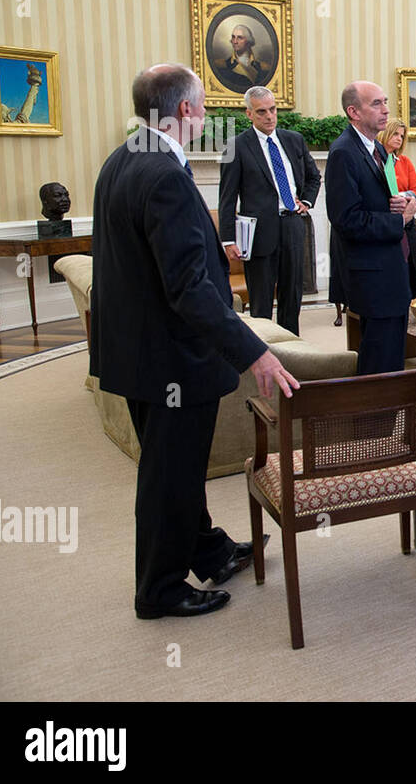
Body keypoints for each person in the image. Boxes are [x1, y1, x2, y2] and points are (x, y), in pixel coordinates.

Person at [91, 63, 297, 619]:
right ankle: (158, 589)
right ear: (184, 109)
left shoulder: (122, 158)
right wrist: (253, 350)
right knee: (170, 475)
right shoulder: (164, 174)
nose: (206, 113)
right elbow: (189, 287)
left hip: (137, 351)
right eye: (203, 103)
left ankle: (210, 551)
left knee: (174, 465)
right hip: (171, 359)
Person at [325, 81, 413, 375]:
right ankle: (374, 409)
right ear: (354, 112)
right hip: (372, 277)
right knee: (379, 364)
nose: (386, 109)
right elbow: (346, 220)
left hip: (391, 268)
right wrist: (399, 221)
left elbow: (380, 201)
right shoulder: (343, 152)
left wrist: (399, 204)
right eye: (376, 103)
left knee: (393, 360)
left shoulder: (377, 149)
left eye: (385, 101)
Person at [218, 85, 321, 336]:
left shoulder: (293, 140)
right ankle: (262, 351)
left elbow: (313, 177)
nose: (269, 116)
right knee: (261, 303)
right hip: (259, 234)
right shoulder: (237, 146)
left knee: (292, 297)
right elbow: (227, 198)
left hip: (293, 226)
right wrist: (228, 240)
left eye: (273, 109)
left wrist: (306, 202)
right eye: (261, 111)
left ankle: (292, 348)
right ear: (249, 114)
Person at [378, 117, 416, 300]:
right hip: (386, 222)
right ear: (385, 133)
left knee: (413, 265)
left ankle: (415, 301)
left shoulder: (404, 162)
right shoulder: (375, 161)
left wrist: (402, 195)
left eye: (402, 136)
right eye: (395, 134)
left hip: (408, 221)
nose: (399, 138)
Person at [214, 23, 269, 92]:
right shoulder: (222, 66)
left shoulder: (263, 68)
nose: (235, 41)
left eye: (240, 38)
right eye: (233, 37)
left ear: (248, 41)